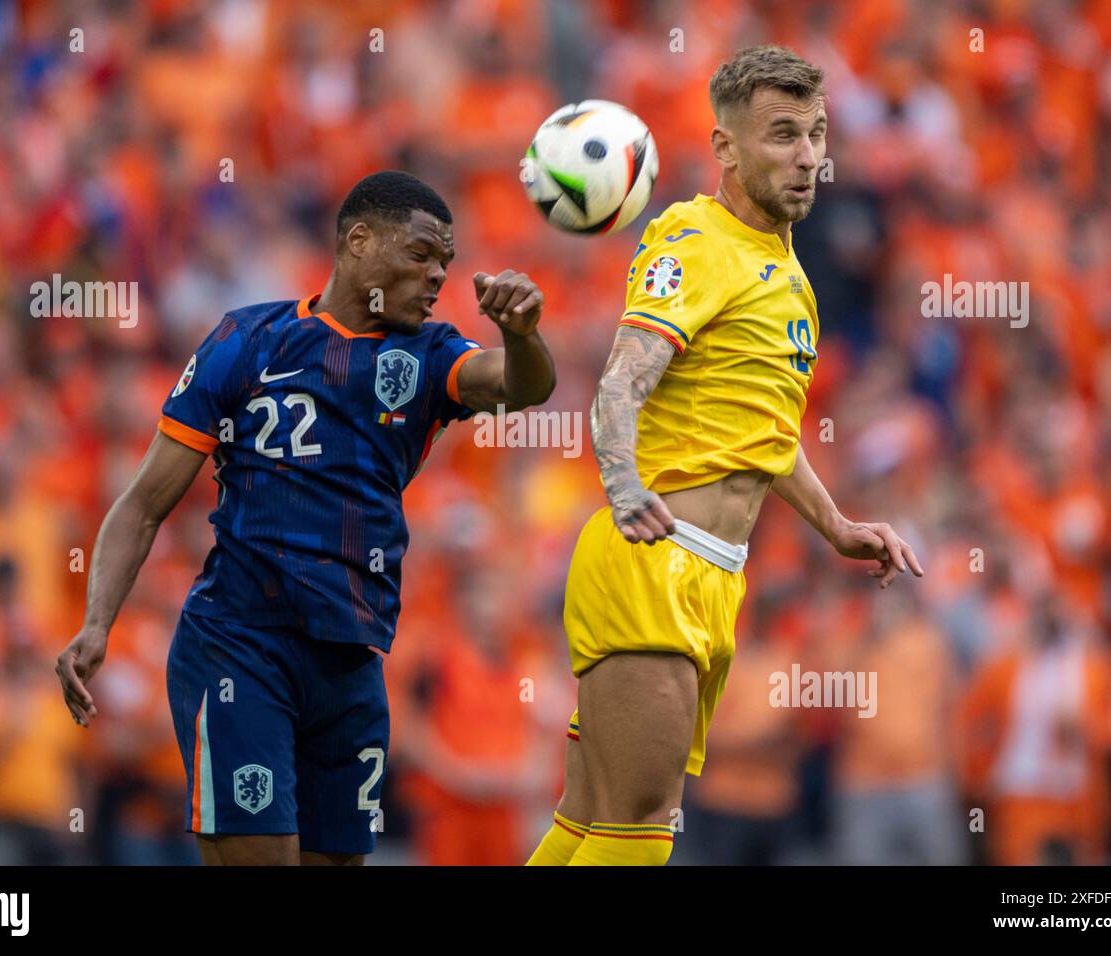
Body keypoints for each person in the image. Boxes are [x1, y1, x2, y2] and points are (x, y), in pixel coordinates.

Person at [56, 171, 556, 865]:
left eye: (446, 260)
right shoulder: (248, 340)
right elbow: (143, 503)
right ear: (358, 241)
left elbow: (523, 385)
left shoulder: (431, 355)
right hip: (240, 646)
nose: (438, 274)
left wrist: (522, 334)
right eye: (420, 255)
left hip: (351, 663)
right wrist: (97, 622)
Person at [528, 45, 923, 866]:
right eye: (782, 134)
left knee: (589, 820)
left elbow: (767, 440)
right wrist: (624, 481)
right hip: (655, 555)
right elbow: (621, 381)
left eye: (816, 134)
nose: (808, 155)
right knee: (640, 825)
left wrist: (837, 525)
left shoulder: (790, 280)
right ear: (726, 148)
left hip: (709, 574)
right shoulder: (696, 237)